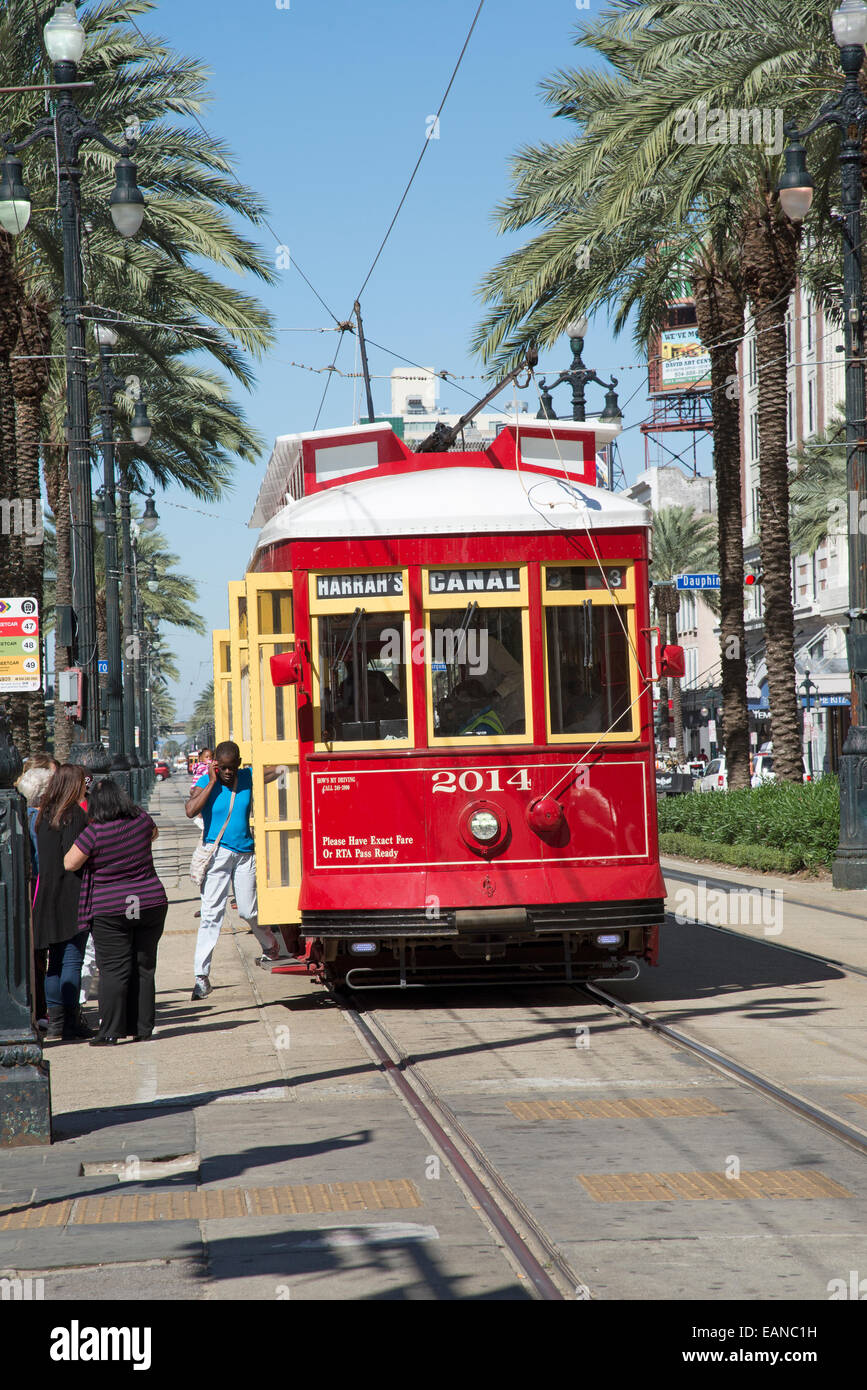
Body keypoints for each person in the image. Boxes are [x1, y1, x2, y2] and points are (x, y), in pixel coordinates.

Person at [63, 778, 168, 1045]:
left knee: (114, 969)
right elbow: (153, 834)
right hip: (148, 902)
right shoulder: (142, 820)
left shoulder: (95, 832)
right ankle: (143, 1028)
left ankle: (110, 1031)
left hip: (113, 908)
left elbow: (70, 862)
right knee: (144, 966)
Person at [185, 741, 285, 999]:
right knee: (211, 915)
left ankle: (270, 945)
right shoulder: (208, 782)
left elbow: (280, 769)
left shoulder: (248, 776)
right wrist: (210, 782)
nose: (228, 773)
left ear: (239, 764)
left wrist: (291, 760)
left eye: (232, 767)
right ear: (216, 764)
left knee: (248, 910)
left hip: (244, 855)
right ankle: (201, 976)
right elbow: (190, 810)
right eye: (224, 768)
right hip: (216, 856)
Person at [32, 765, 92, 1042]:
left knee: (54, 961)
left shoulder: (43, 816)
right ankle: (70, 1020)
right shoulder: (74, 815)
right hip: (73, 893)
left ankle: (55, 1021)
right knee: (71, 958)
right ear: (72, 785)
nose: (85, 788)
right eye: (82, 783)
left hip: (47, 893)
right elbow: (75, 857)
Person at [16, 761, 55, 1031]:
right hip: (37, 890)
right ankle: (41, 1009)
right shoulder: (38, 820)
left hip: (26, 890)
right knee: (39, 953)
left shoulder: (20, 816)